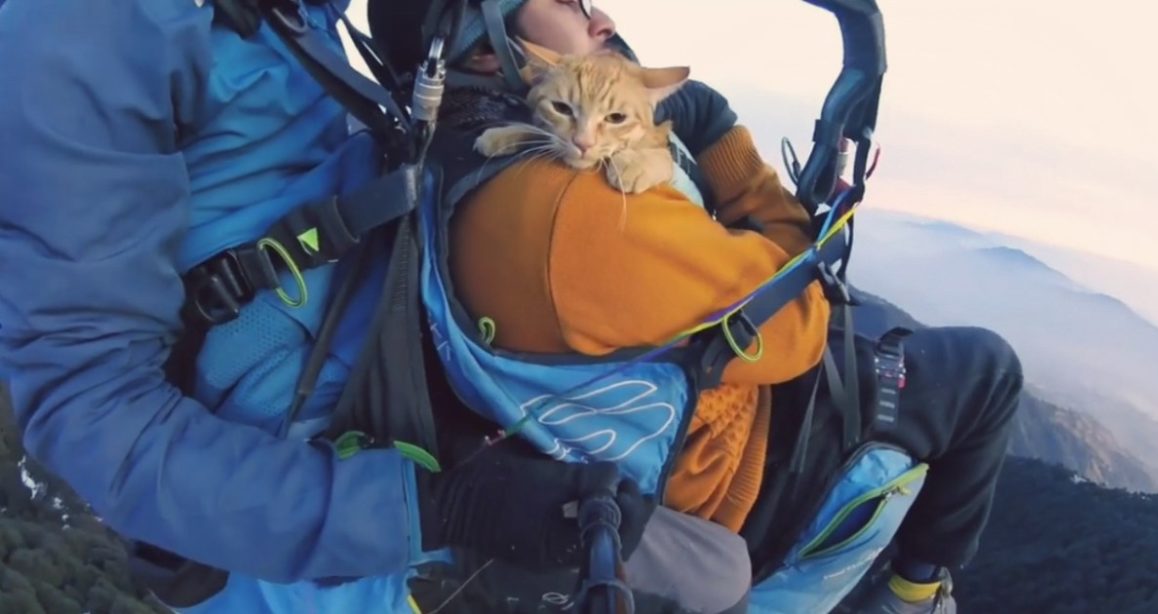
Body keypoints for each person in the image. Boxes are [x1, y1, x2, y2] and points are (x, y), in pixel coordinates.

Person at [0, 1, 660, 612]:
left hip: (371, 530)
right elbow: (96, 416)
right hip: (279, 571)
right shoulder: (88, 27)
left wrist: (459, 444)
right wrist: (432, 509)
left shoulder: (300, 18)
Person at [372, 1, 1024, 613]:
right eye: (569, 2)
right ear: (488, 48)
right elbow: (799, 324)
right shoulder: (570, 210)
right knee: (985, 372)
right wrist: (729, 152)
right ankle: (916, 594)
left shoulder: (450, 153)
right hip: (717, 480)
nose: (601, 18)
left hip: (594, 427)